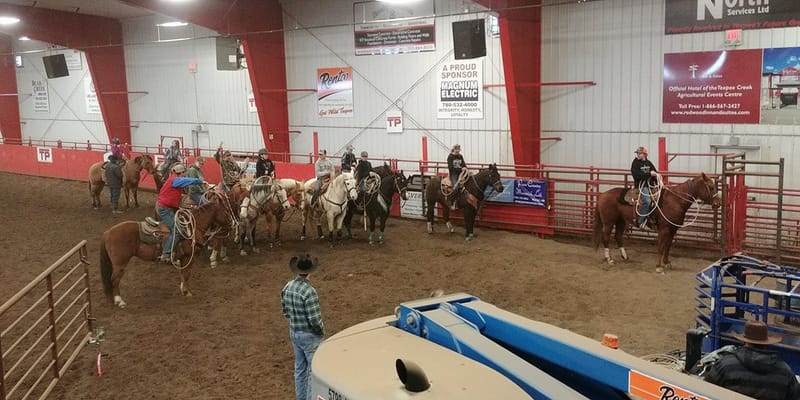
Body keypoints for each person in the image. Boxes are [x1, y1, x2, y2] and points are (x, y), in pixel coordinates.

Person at [704, 320, 800, 400]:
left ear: (745, 340)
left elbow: (705, 392)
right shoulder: (785, 372)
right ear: (766, 343)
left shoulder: (725, 365)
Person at [281, 253, 324, 400]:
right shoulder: (309, 292)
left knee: (299, 369)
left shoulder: (288, 287)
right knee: (313, 371)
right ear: (310, 272)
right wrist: (320, 332)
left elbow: (285, 311)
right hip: (309, 335)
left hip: (295, 332)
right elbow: (315, 320)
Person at [155, 163, 204, 263]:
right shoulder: (175, 180)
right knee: (176, 230)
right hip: (165, 209)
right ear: (180, 173)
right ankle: (166, 253)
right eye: (184, 173)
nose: (185, 174)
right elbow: (186, 181)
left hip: (167, 207)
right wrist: (198, 181)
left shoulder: (173, 179)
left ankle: (175, 250)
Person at [631, 146, 658, 229]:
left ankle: (653, 218)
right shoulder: (635, 163)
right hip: (641, 186)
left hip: (649, 186)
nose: (638, 155)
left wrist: (656, 178)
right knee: (647, 201)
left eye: (640, 153)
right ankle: (640, 220)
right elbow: (636, 175)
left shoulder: (648, 163)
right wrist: (649, 174)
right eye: (637, 153)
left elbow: (655, 172)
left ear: (645, 154)